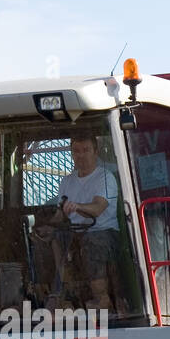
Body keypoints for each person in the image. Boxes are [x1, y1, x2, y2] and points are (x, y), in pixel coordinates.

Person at [54, 133, 120, 311]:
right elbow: (61, 214)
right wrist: (46, 224)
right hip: (74, 232)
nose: (81, 155)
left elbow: (98, 208)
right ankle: (57, 295)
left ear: (95, 152)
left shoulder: (105, 178)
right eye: (76, 151)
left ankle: (102, 299)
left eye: (85, 150)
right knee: (49, 240)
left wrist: (77, 207)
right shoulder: (66, 181)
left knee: (92, 242)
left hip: (103, 232)